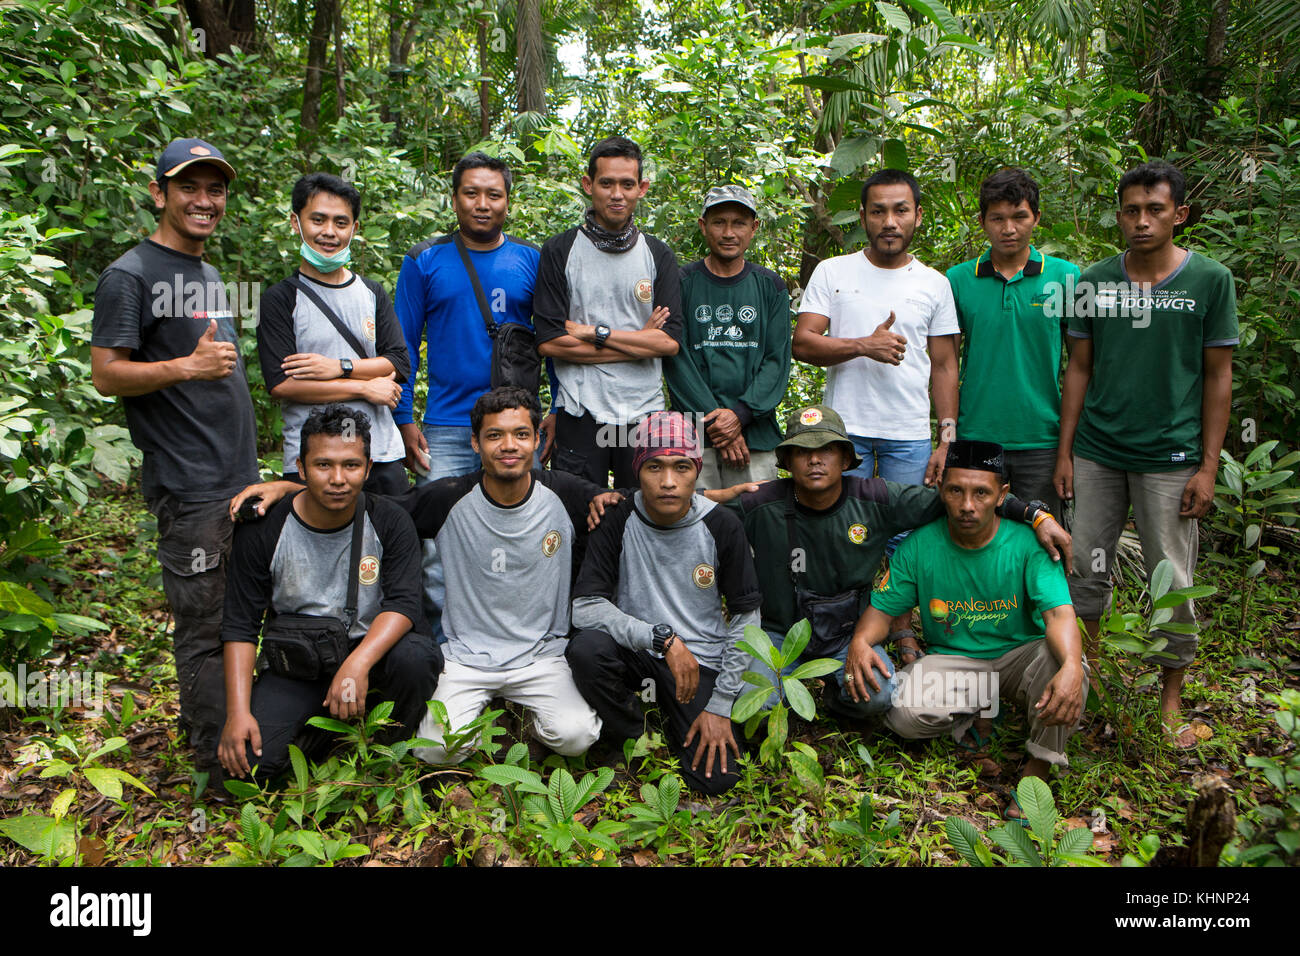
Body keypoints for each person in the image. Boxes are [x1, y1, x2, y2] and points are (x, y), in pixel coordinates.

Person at [1053, 160, 1237, 748]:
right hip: (1099, 452)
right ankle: (1093, 684)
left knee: (1170, 580)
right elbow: (1078, 368)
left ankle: (1168, 707)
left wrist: (1208, 466)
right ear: (1119, 215)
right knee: (1088, 572)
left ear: (1179, 214)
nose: (1141, 220)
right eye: (1131, 209)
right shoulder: (1094, 280)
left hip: (1172, 457)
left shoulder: (1209, 281)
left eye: (1155, 209)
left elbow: (1218, 378)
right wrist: (1066, 453)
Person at [90, 137, 258, 778]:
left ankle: (231, 735)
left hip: (236, 475)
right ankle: (215, 766)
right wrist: (188, 366)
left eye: (215, 189)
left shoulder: (210, 275)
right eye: (189, 186)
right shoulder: (129, 275)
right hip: (188, 484)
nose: (204, 200)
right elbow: (108, 375)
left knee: (237, 612)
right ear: (160, 193)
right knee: (204, 624)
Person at [729, 405, 1071, 720]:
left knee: (879, 697)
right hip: (779, 634)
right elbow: (696, 516)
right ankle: (786, 690)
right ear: (787, 462)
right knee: (754, 708)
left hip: (846, 635)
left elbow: (965, 495)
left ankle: (838, 694)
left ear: (846, 459)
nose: (814, 461)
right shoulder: (761, 503)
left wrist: (1034, 514)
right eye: (802, 452)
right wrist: (712, 495)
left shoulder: (875, 498)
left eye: (826, 450)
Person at [847, 440, 1087, 821]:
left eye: (981, 493)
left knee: (1068, 665)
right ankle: (980, 705)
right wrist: (861, 641)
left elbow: (1059, 615)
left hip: (1020, 656)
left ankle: (1037, 771)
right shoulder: (919, 546)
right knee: (903, 714)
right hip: (956, 660)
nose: (967, 505)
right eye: (956, 490)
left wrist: (1071, 665)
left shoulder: (1029, 543)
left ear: (1002, 495)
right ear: (941, 489)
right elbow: (882, 611)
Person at [217, 405, 442, 784]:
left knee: (416, 656)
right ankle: (323, 739)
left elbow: (403, 603)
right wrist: (237, 713)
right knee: (249, 772)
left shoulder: (389, 520)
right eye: (323, 465)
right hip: (300, 663)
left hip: (373, 657)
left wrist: (358, 664)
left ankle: (386, 748)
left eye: (351, 466)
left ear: (368, 469)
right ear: (301, 469)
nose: (338, 479)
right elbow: (240, 624)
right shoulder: (264, 528)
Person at [406, 387, 618, 764]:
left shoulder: (565, 493)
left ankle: (530, 722)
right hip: (466, 656)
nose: (509, 445)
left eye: (521, 434)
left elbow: (637, 502)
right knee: (434, 750)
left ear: (537, 439)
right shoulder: (447, 498)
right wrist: (293, 490)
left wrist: (607, 497)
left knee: (576, 736)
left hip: (542, 655)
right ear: (475, 443)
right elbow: (378, 510)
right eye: (494, 435)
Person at [566, 411, 762, 795]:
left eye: (681, 467)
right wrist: (661, 638)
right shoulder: (615, 517)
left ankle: (678, 721)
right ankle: (632, 735)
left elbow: (746, 615)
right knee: (587, 649)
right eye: (654, 466)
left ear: (697, 471)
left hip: (701, 658)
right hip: (637, 651)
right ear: (637, 470)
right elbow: (585, 606)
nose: (668, 482)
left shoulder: (721, 524)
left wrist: (720, 704)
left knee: (717, 779)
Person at [392, 152, 546, 637]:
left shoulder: (531, 260)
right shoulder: (424, 260)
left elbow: (550, 342)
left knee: (523, 536)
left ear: (508, 200)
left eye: (494, 194)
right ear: (455, 198)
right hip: (449, 424)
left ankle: (519, 644)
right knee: (439, 545)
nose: (483, 204)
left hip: (519, 428)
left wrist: (555, 409)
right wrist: (404, 418)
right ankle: (445, 648)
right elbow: (402, 347)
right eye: (471, 193)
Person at [794, 168, 960, 496]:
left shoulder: (935, 284)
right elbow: (802, 343)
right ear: (862, 216)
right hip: (843, 432)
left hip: (908, 435)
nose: (889, 222)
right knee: (845, 528)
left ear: (918, 215)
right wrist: (864, 345)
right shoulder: (833, 271)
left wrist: (946, 442)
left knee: (906, 530)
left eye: (901, 210)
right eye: (878, 211)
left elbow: (945, 366)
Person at [534, 135, 683, 489]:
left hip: (644, 410)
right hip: (580, 410)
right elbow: (551, 343)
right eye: (607, 183)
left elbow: (668, 343)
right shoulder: (560, 250)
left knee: (641, 514)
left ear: (642, 188)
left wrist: (592, 332)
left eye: (627, 184)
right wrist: (638, 342)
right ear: (589, 185)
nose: (617, 194)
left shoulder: (657, 254)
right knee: (579, 516)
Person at [256, 173, 410, 495]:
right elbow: (282, 384)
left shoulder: (372, 293)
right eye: (318, 220)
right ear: (296, 223)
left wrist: (340, 367)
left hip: (380, 454)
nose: (329, 232)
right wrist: (366, 389)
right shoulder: (280, 299)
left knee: (391, 542)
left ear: (354, 229)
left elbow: (397, 361)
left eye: (341, 222)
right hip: (313, 460)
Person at [946, 168, 1080, 519]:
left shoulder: (1066, 277)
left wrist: (1067, 450)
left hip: (1043, 440)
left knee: (1043, 540)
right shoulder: (957, 280)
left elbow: (1081, 366)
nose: (1009, 229)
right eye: (998, 218)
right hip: (976, 437)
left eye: (1020, 217)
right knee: (977, 540)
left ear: (1037, 217)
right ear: (982, 221)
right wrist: (948, 435)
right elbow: (945, 364)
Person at [664, 185, 790, 490]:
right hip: (695, 438)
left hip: (755, 437)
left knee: (755, 521)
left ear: (754, 228)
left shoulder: (770, 286)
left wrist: (740, 415)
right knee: (697, 522)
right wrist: (718, 423)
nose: (729, 232)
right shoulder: (681, 283)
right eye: (719, 222)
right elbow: (676, 359)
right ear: (703, 226)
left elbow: (777, 361)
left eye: (739, 223)